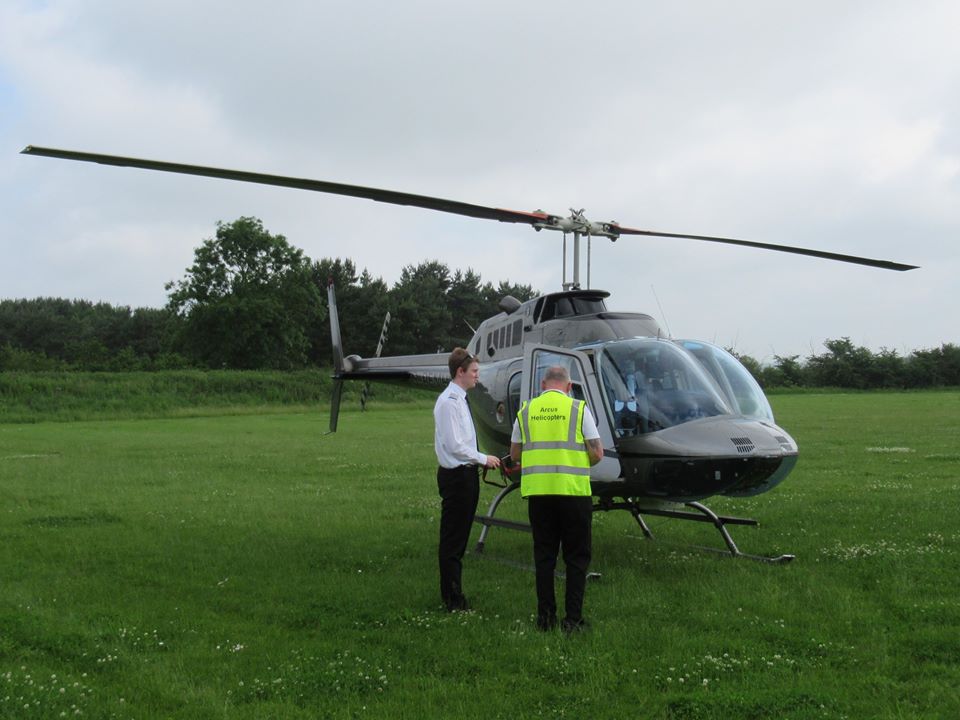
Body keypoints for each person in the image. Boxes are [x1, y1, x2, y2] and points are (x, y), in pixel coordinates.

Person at [510, 365, 603, 632]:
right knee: (576, 558)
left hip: (539, 494)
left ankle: (545, 618)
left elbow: (514, 455)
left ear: (543, 385)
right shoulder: (578, 409)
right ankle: (572, 620)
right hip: (573, 492)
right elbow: (597, 453)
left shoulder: (526, 411)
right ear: (569, 386)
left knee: (544, 557)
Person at [434, 347, 500, 612]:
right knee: (453, 540)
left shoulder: (460, 399)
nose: (477, 375)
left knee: (459, 538)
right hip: (457, 477)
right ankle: (453, 599)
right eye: (474, 371)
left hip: (466, 475)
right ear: (460, 372)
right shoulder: (449, 402)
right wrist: (484, 458)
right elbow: (455, 446)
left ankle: (454, 594)